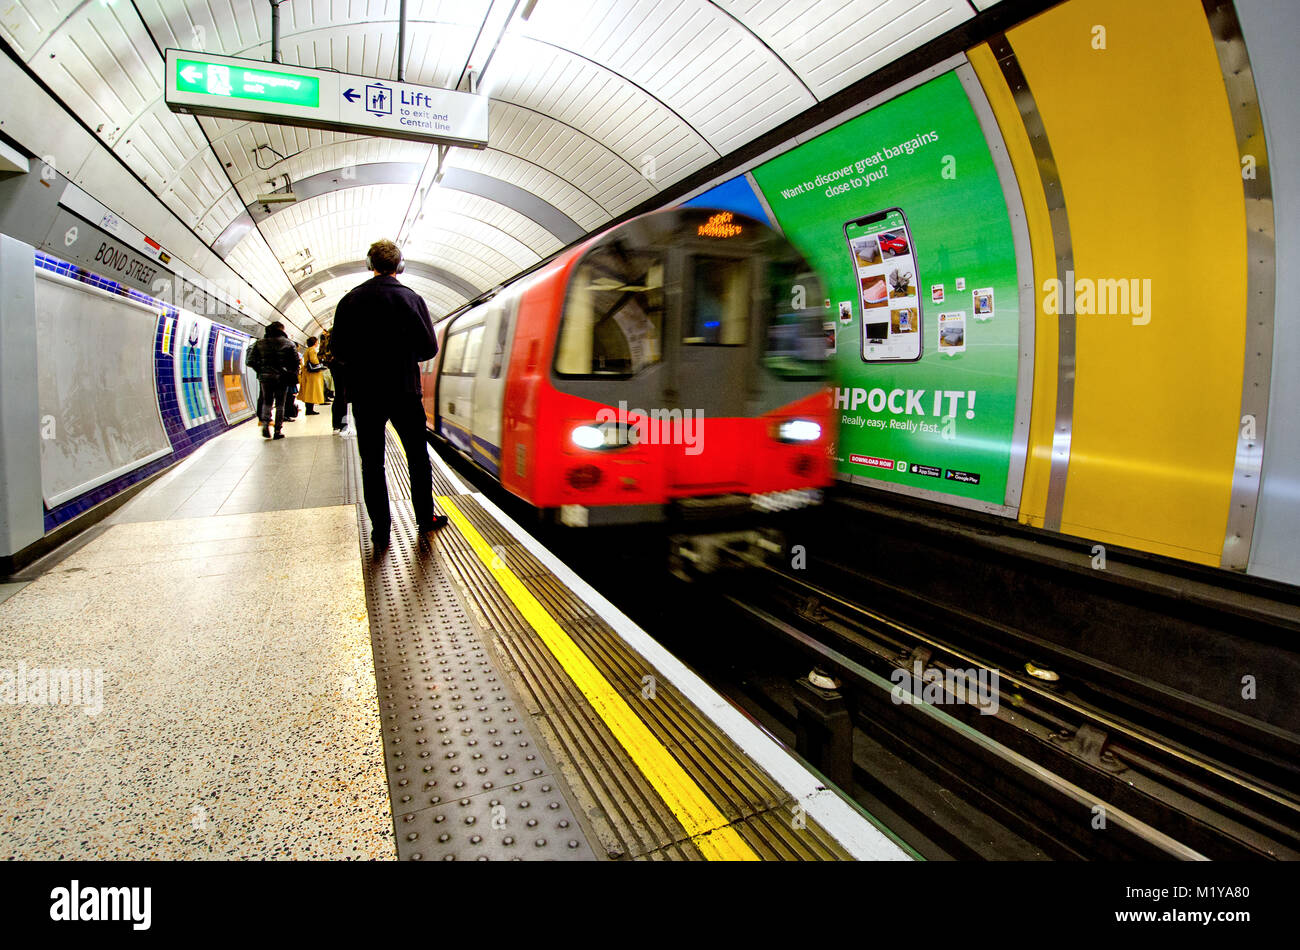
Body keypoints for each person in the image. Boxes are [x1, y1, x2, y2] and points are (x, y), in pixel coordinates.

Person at [330, 239, 447, 550]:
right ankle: (425, 517)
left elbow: (337, 351)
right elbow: (429, 349)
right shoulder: (412, 299)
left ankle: (380, 530)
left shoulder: (350, 301)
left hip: (366, 395)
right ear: (400, 265)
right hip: (405, 392)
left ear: (370, 265)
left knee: (372, 462)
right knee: (417, 457)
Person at [245, 321, 298, 439]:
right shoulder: (289, 344)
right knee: (280, 404)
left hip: (265, 377)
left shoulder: (259, 343)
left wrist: (261, 370)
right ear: (281, 330)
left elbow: (250, 361)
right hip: (282, 378)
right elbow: (295, 363)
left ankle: (265, 424)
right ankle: (277, 431)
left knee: (267, 402)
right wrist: (289, 373)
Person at [298, 335, 326, 415]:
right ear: (315, 343)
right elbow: (314, 361)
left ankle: (309, 409)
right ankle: (310, 410)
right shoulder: (312, 350)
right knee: (312, 392)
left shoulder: (307, 350)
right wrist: (319, 364)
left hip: (307, 373)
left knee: (308, 392)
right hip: (312, 375)